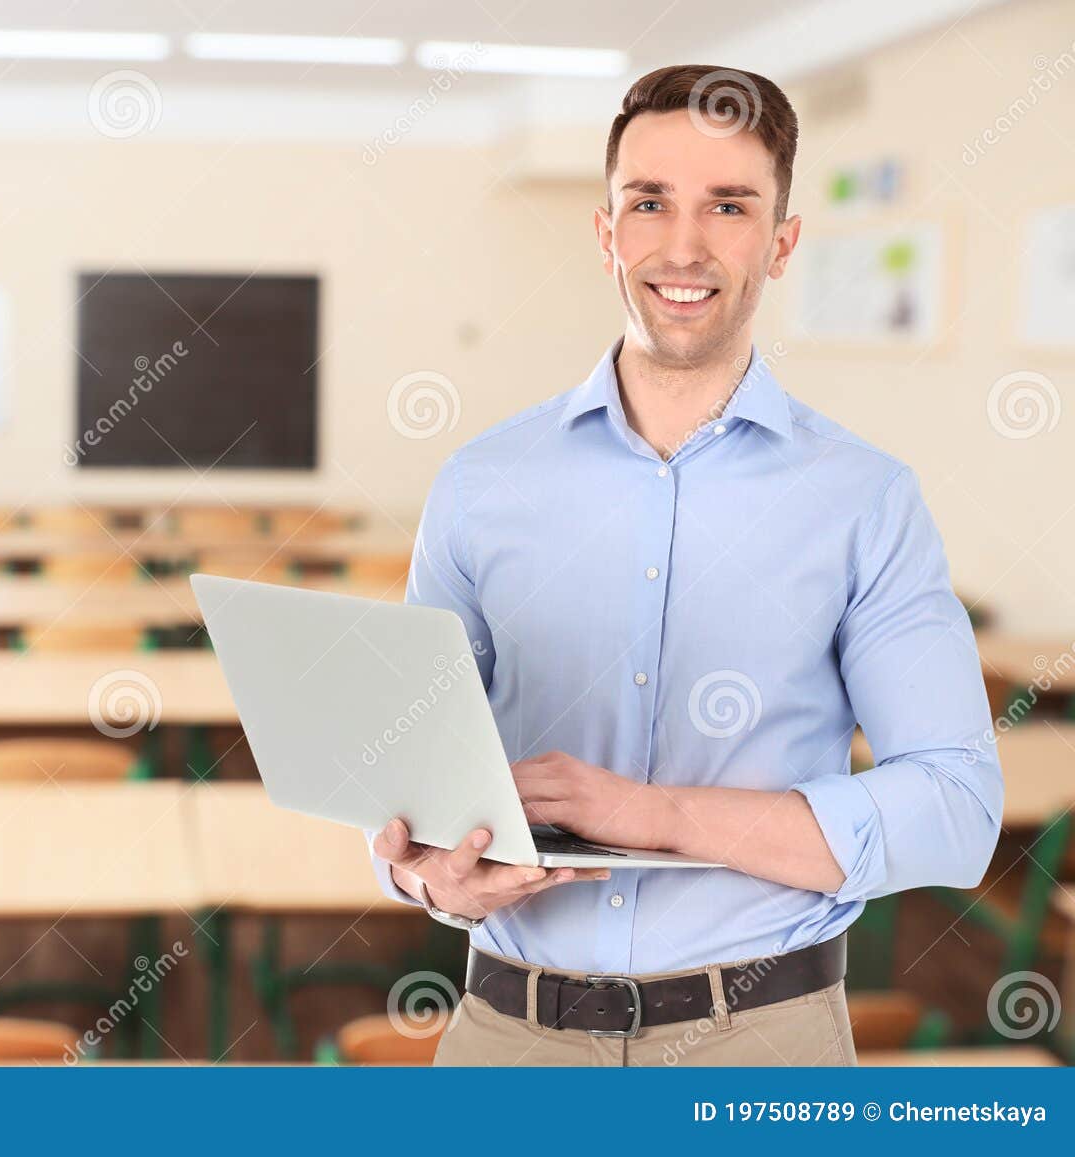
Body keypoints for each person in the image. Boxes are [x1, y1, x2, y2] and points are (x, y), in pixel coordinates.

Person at [369, 64, 1003, 1067]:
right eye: (648, 202)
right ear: (605, 231)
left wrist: (649, 815)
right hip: (507, 1037)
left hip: (762, 1040)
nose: (682, 245)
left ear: (782, 242)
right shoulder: (477, 481)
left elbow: (956, 809)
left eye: (729, 206)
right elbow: (410, 768)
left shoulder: (864, 499)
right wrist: (422, 875)